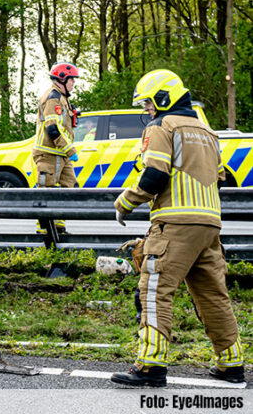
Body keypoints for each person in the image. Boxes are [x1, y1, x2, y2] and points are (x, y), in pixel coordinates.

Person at [110, 69, 244, 387]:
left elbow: (155, 175)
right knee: (213, 295)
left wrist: (126, 202)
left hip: (174, 224)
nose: (147, 111)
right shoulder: (208, 132)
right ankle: (232, 364)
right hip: (209, 225)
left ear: (163, 97)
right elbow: (223, 178)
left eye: (148, 104)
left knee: (154, 290)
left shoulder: (162, 126)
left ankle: (150, 366)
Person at [33, 63, 80, 234]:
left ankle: (59, 225)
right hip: (49, 154)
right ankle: (44, 230)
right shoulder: (53, 98)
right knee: (47, 189)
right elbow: (52, 129)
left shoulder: (62, 97)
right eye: (71, 79)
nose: (74, 83)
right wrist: (70, 150)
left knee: (71, 187)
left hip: (60, 154)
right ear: (62, 79)